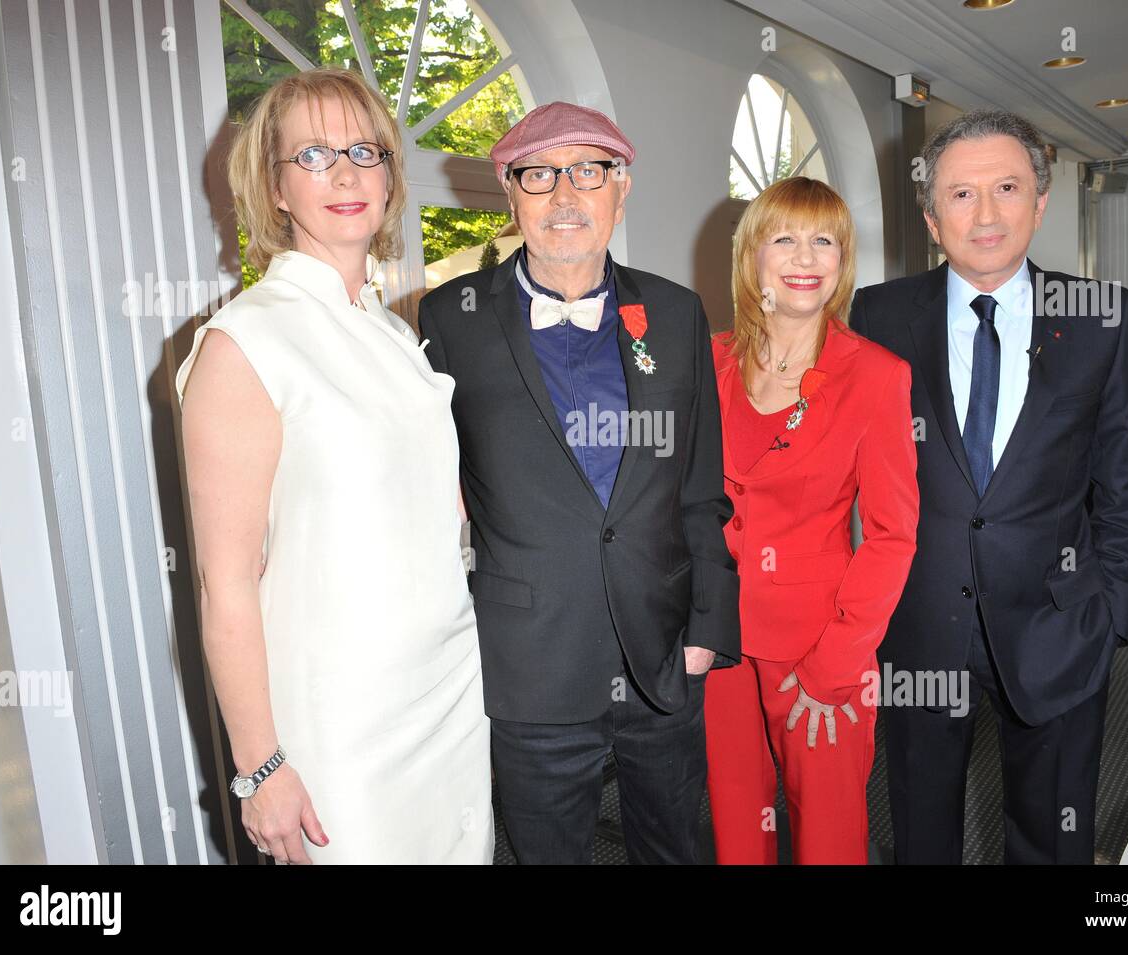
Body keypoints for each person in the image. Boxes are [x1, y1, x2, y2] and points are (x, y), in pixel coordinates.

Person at [175, 68, 493, 864]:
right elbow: (226, 586)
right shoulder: (244, 343)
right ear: (275, 187)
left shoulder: (390, 333)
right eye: (313, 154)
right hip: (341, 724)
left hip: (449, 686)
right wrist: (262, 766)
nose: (347, 173)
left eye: (364, 149)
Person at [417, 102, 740, 864]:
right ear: (510, 190)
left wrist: (707, 632)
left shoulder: (673, 311)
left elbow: (701, 484)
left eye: (588, 171)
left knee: (674, 850)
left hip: (661, 657)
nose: (564, 196)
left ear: (620, 189)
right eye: (539, 174)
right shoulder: (451, 316)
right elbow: (429, 490)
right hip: (530, 664)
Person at [850, 108, 1128, 864]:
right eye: (960, 194)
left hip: (1061, 626)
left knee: (1050, 837)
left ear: (1040, 202)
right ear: (930, 215)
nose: (984, 214)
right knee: (921, 834)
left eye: (1007, 188)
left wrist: (1113, 612)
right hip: (920, 628)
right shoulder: (879, 315)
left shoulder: (1101, 317)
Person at [704, 177, 918, 864]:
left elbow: (891, 533)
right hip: (720, 646)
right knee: (739, 829)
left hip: (819, 651)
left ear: (842, 260)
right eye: (785, 238)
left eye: (824, 239)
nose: (806, 256)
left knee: (828, 839)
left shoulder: (876, 375)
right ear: (753, 257)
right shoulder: (709, 362)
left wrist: (838, 662)